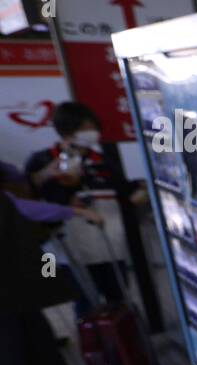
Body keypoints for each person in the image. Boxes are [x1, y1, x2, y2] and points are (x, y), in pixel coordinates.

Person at [24, 101, 145, 310]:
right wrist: (56, 182)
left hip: (111, 244)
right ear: (67, 131)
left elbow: (125, 191)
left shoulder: (103, 160)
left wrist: (145, 188)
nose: (92, 133)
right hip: (70, 249)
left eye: (93, 128)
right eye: (85, 128)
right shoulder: (43, 160)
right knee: (85, 304)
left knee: (120, 301)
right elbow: (30, 198)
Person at [0, 190, 86, 365]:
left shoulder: (5, 200)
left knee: (38, 337)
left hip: (16, 284)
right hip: (12, 287)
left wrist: (73, 211)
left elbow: (29, 209)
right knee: (6, 350)